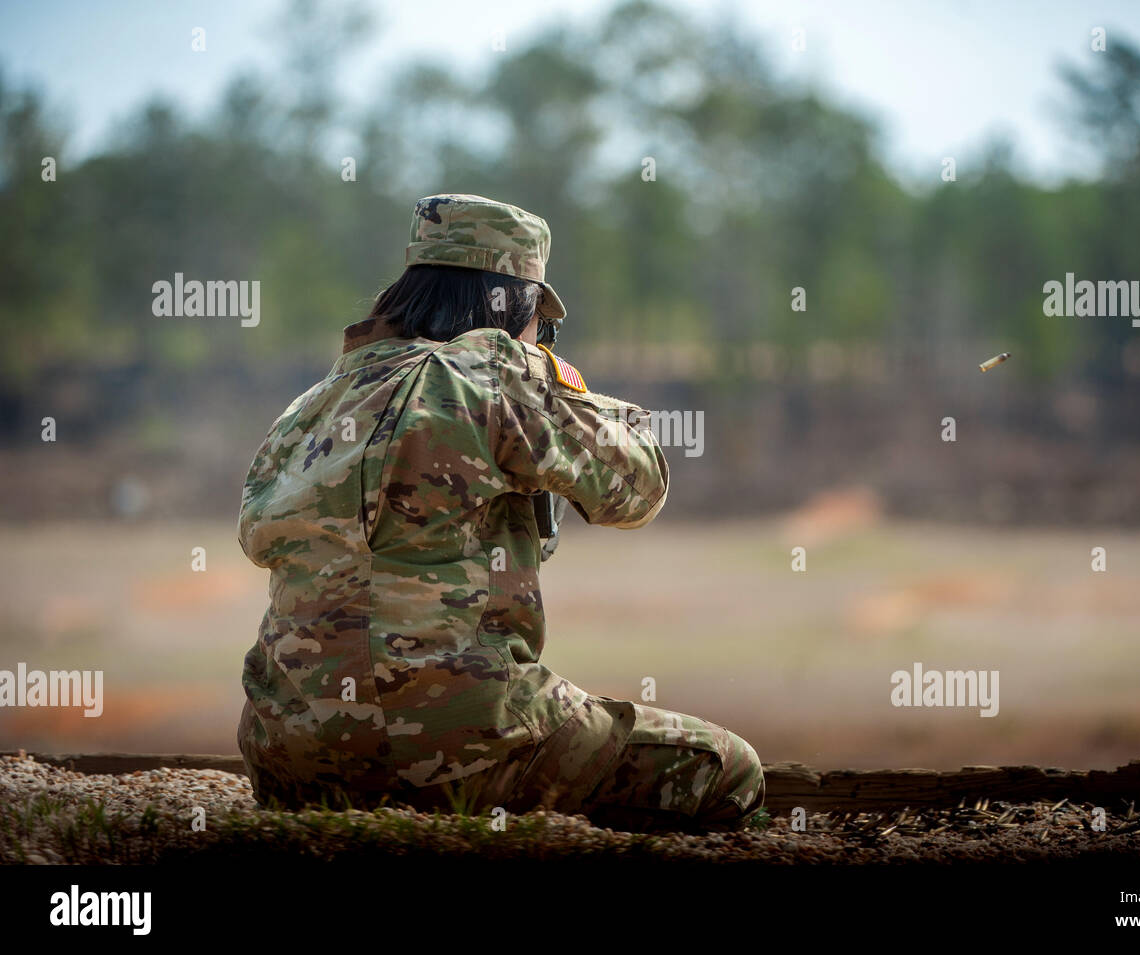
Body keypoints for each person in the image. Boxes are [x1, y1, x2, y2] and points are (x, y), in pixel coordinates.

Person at [236, 193, 765, 832]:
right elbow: (639, 485)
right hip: (464, 753)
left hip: (289, 764)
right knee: (730, 769)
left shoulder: (311, 405)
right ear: (516, 306)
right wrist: (555, 380)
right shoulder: (492, 375)